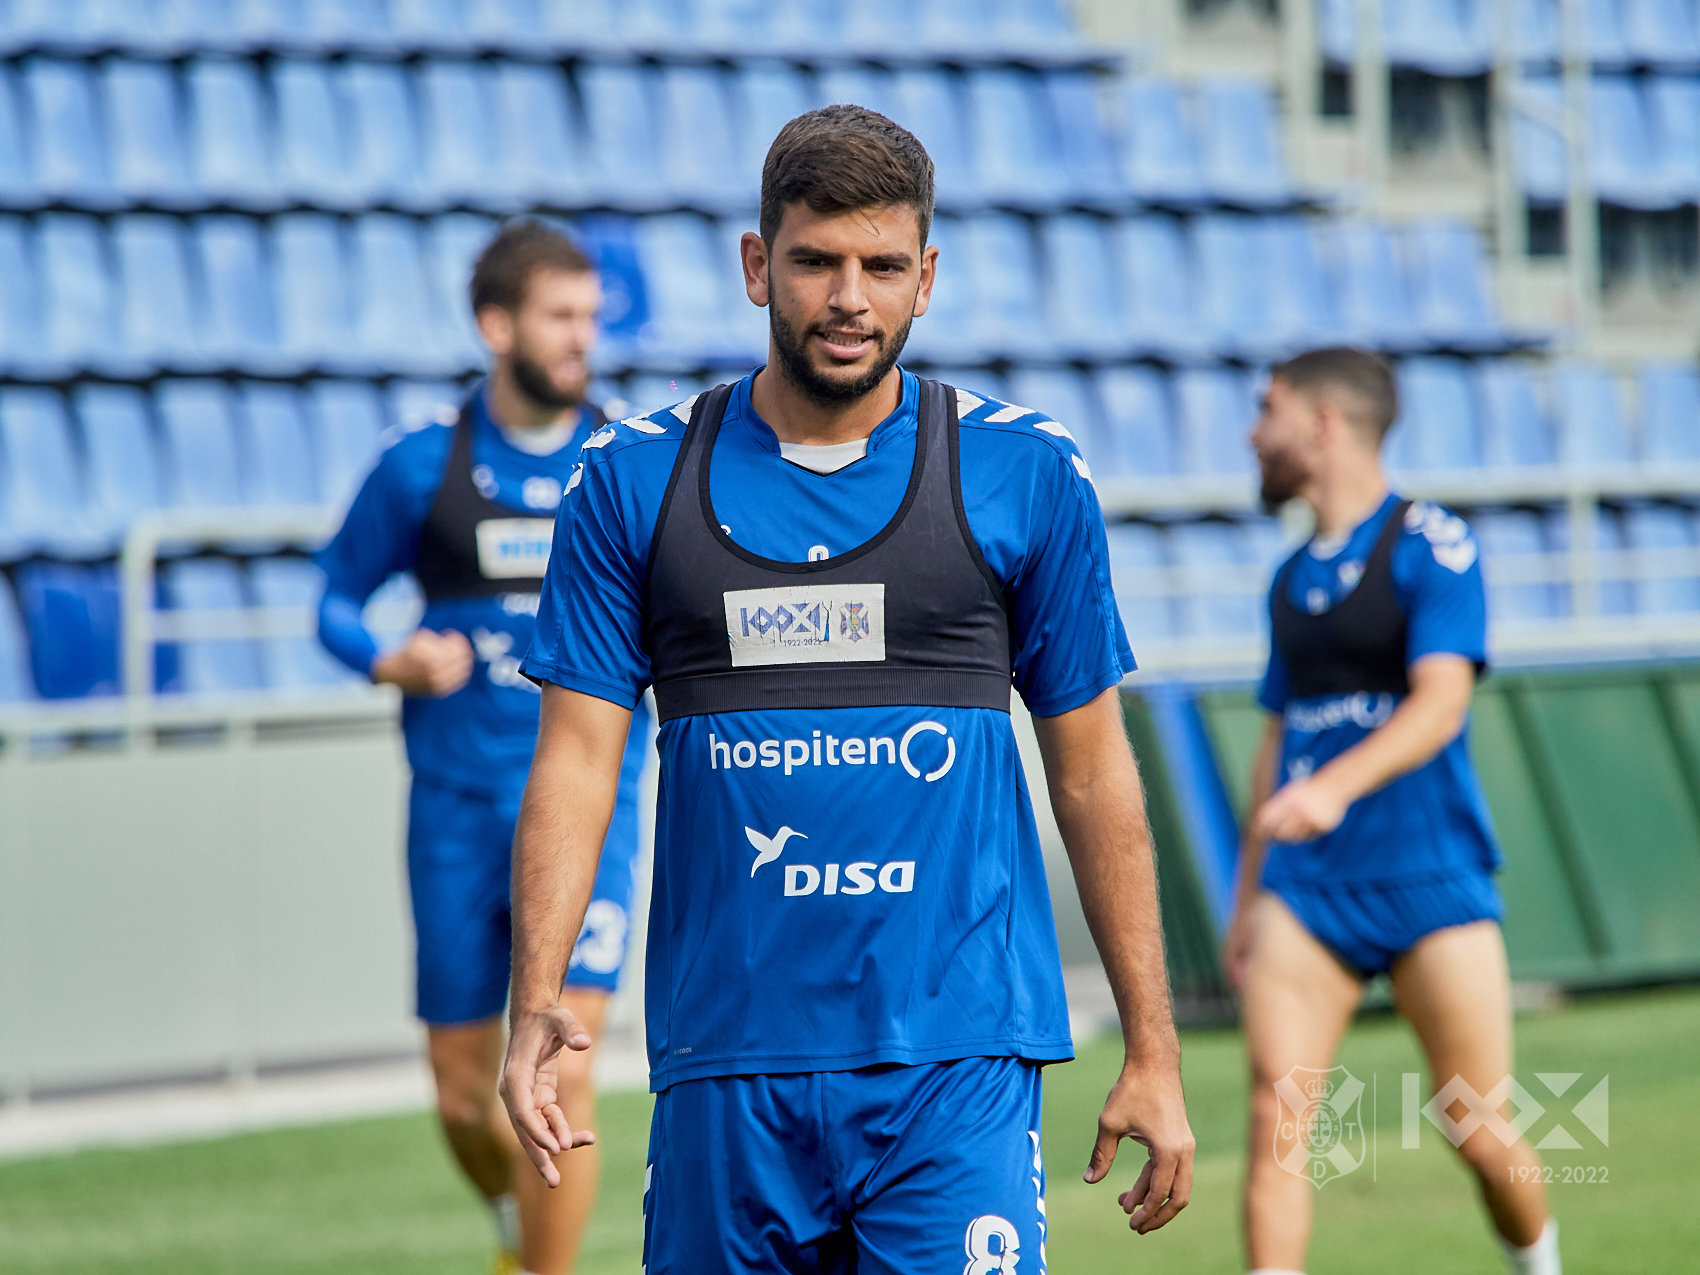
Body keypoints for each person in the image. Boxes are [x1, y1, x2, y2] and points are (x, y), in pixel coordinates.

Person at [499, 105, 1195, 1273]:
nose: (847, 299)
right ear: (756, 264)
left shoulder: (1024, 473)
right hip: (729, 1063)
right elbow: (574, 759)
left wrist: (1154, 1047)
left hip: (955, 1058)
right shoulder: (629, 479)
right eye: (816, 261)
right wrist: (538, 999)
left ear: (926, 279)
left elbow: (1089, 771)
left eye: (881, 266)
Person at [316, 220, 651, 1275]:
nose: (580, 340)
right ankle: (515, 1230)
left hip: (591, 806)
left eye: (591, 319)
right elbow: (332, 598)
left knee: (560, 1069)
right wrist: (385, 659)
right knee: (462, 1088)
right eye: (559, 317)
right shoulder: (420, 465)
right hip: (456, 808)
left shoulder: (628, 463)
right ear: (494, 323)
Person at [1222, 348, 1559, 1275]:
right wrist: (1248, 895)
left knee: (1478, 1126)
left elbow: (1441, 703)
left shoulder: (1432, 543)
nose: (1254, 433)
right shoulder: (1289, 580)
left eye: (1269, 410)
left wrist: (1332, 787)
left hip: (1431, 878)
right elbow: (1274, 745)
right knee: (1277, 1120)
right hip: (1307, 893)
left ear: (1325, 424)